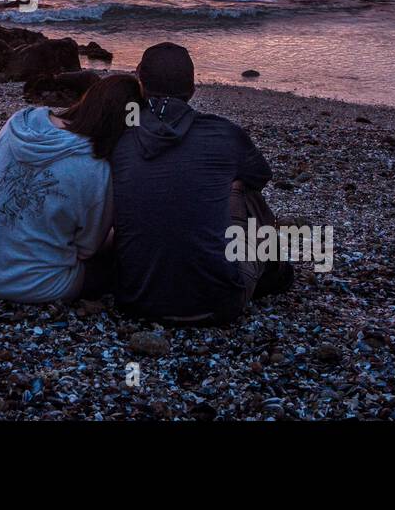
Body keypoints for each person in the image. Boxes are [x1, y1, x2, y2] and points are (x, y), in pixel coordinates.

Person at [111, 42, 292, 323]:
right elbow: (260, 176)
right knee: (245, 192)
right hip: (218, 304)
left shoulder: (121, 138)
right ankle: (274, 270)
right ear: (193, 89)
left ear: (140, 81)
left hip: (136, 300)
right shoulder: (223, 133)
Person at [0, 74, 142, 303]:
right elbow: (86, 249)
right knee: (117, 253)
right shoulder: (97, 168)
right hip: (39, 287)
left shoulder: (18, 123)